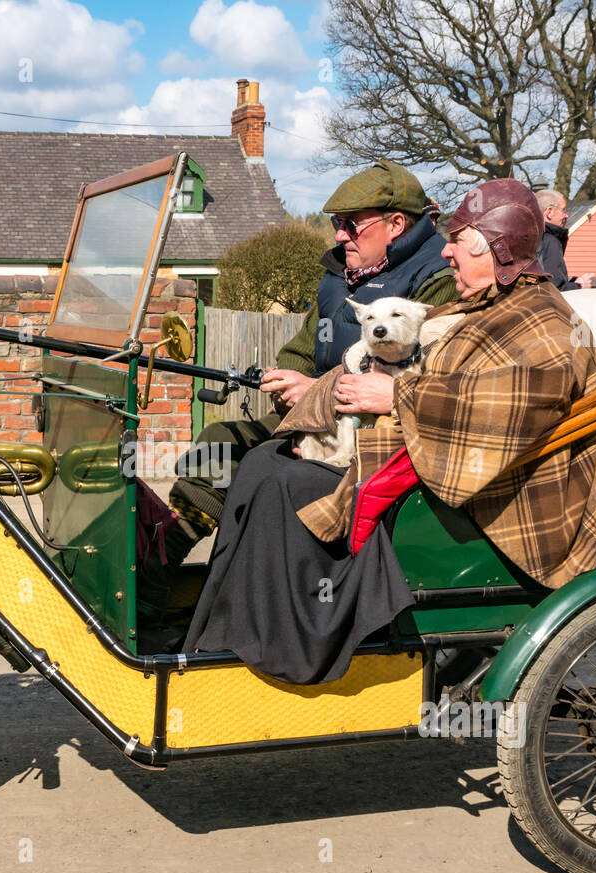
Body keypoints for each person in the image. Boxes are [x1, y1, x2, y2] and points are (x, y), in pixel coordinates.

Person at [181, 179, 596, 683]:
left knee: (287, 487)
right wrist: (323, 404)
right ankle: (226, 632)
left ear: (496, 249)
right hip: (417, 454)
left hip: (493, 495)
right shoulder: (481, 303)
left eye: (457, 240)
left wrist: (395, 397)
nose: (446, 252)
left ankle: (289, 644)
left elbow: (511, 411)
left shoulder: (543, 321)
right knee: (262, 461)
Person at [141, 160, 456, 627]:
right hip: (321, 412)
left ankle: (197, 588)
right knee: (220, 440)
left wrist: (319, 390)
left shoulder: (437, 280)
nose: (340, 237)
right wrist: (286, 380)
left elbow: (427, 376)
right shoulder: (339, 277)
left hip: (375, 430)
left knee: (253, 465)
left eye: (352, 225)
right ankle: (165, 570)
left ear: (396, 224)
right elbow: (302, 348)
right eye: (336, 225)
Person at [534, 189, 592, 291]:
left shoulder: (530, 238)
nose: (567, 215)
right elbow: (554, 290)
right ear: (549, 212)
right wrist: (580, 285)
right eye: (563, 210)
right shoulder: (549, 241)